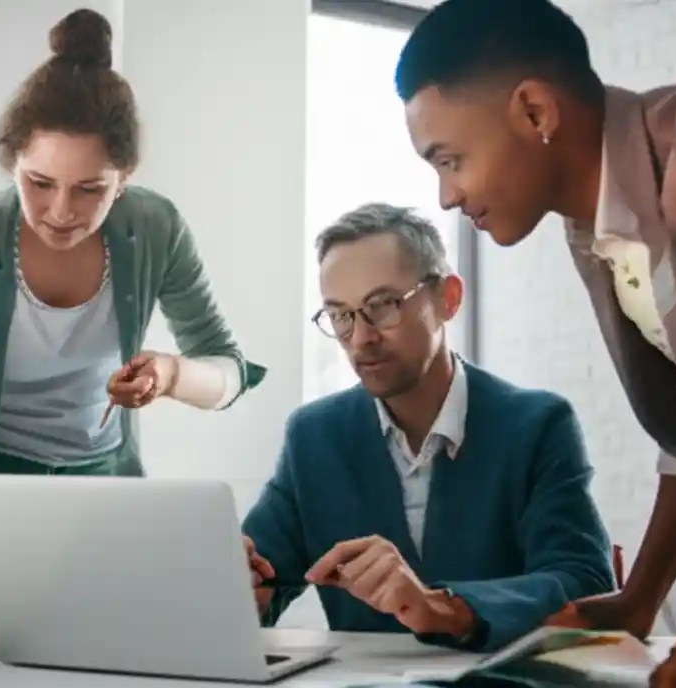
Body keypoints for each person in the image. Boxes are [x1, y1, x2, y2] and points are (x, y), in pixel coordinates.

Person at [394, 0, 676, 688]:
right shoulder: (591, 233)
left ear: (535, 112)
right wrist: (639, 600)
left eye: (450, 160)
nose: (447, 196)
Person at [0, 7, 265, 635]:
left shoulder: (157, 229)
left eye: (90, 190)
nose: (60, 211)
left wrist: (170, 372)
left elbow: (232, 371)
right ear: (11, 163)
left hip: (106, 494)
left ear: (124, 179)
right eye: (39, 182)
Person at [241, 203, 613, 652]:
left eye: (382, 306)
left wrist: (446, 607)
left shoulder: (536, 425)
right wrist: (239, 590)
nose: (361, 338)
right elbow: (262, 579)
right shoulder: (314, 436)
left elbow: (583, 581)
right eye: (340, 315)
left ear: (448, 299)